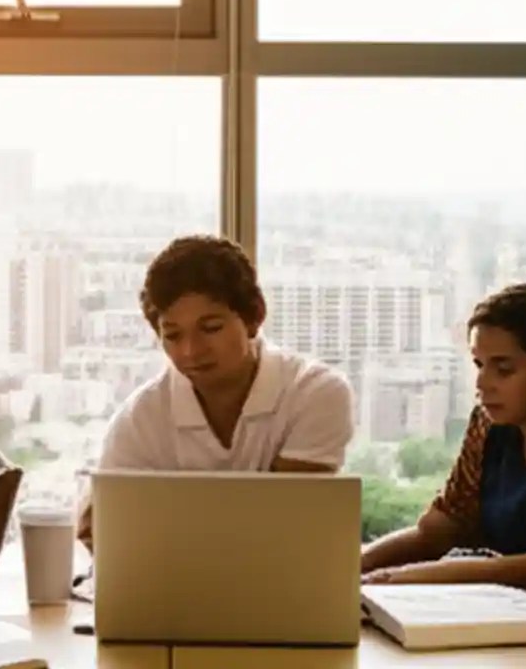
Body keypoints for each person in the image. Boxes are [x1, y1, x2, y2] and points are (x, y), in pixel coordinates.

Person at [76, 235, 355, 550]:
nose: (191, 351)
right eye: (172, 335)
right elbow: (95, 530)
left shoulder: (315, 393)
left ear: (254, 316)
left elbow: (286, 526)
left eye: (210, 328)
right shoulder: (142, 416)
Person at [360, 283, 526, 589]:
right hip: (487, 602)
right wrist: (357, 564)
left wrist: (411, 577)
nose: (483, 383)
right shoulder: (487, 424)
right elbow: (441, 528)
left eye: (504, 369)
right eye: (478, 365)